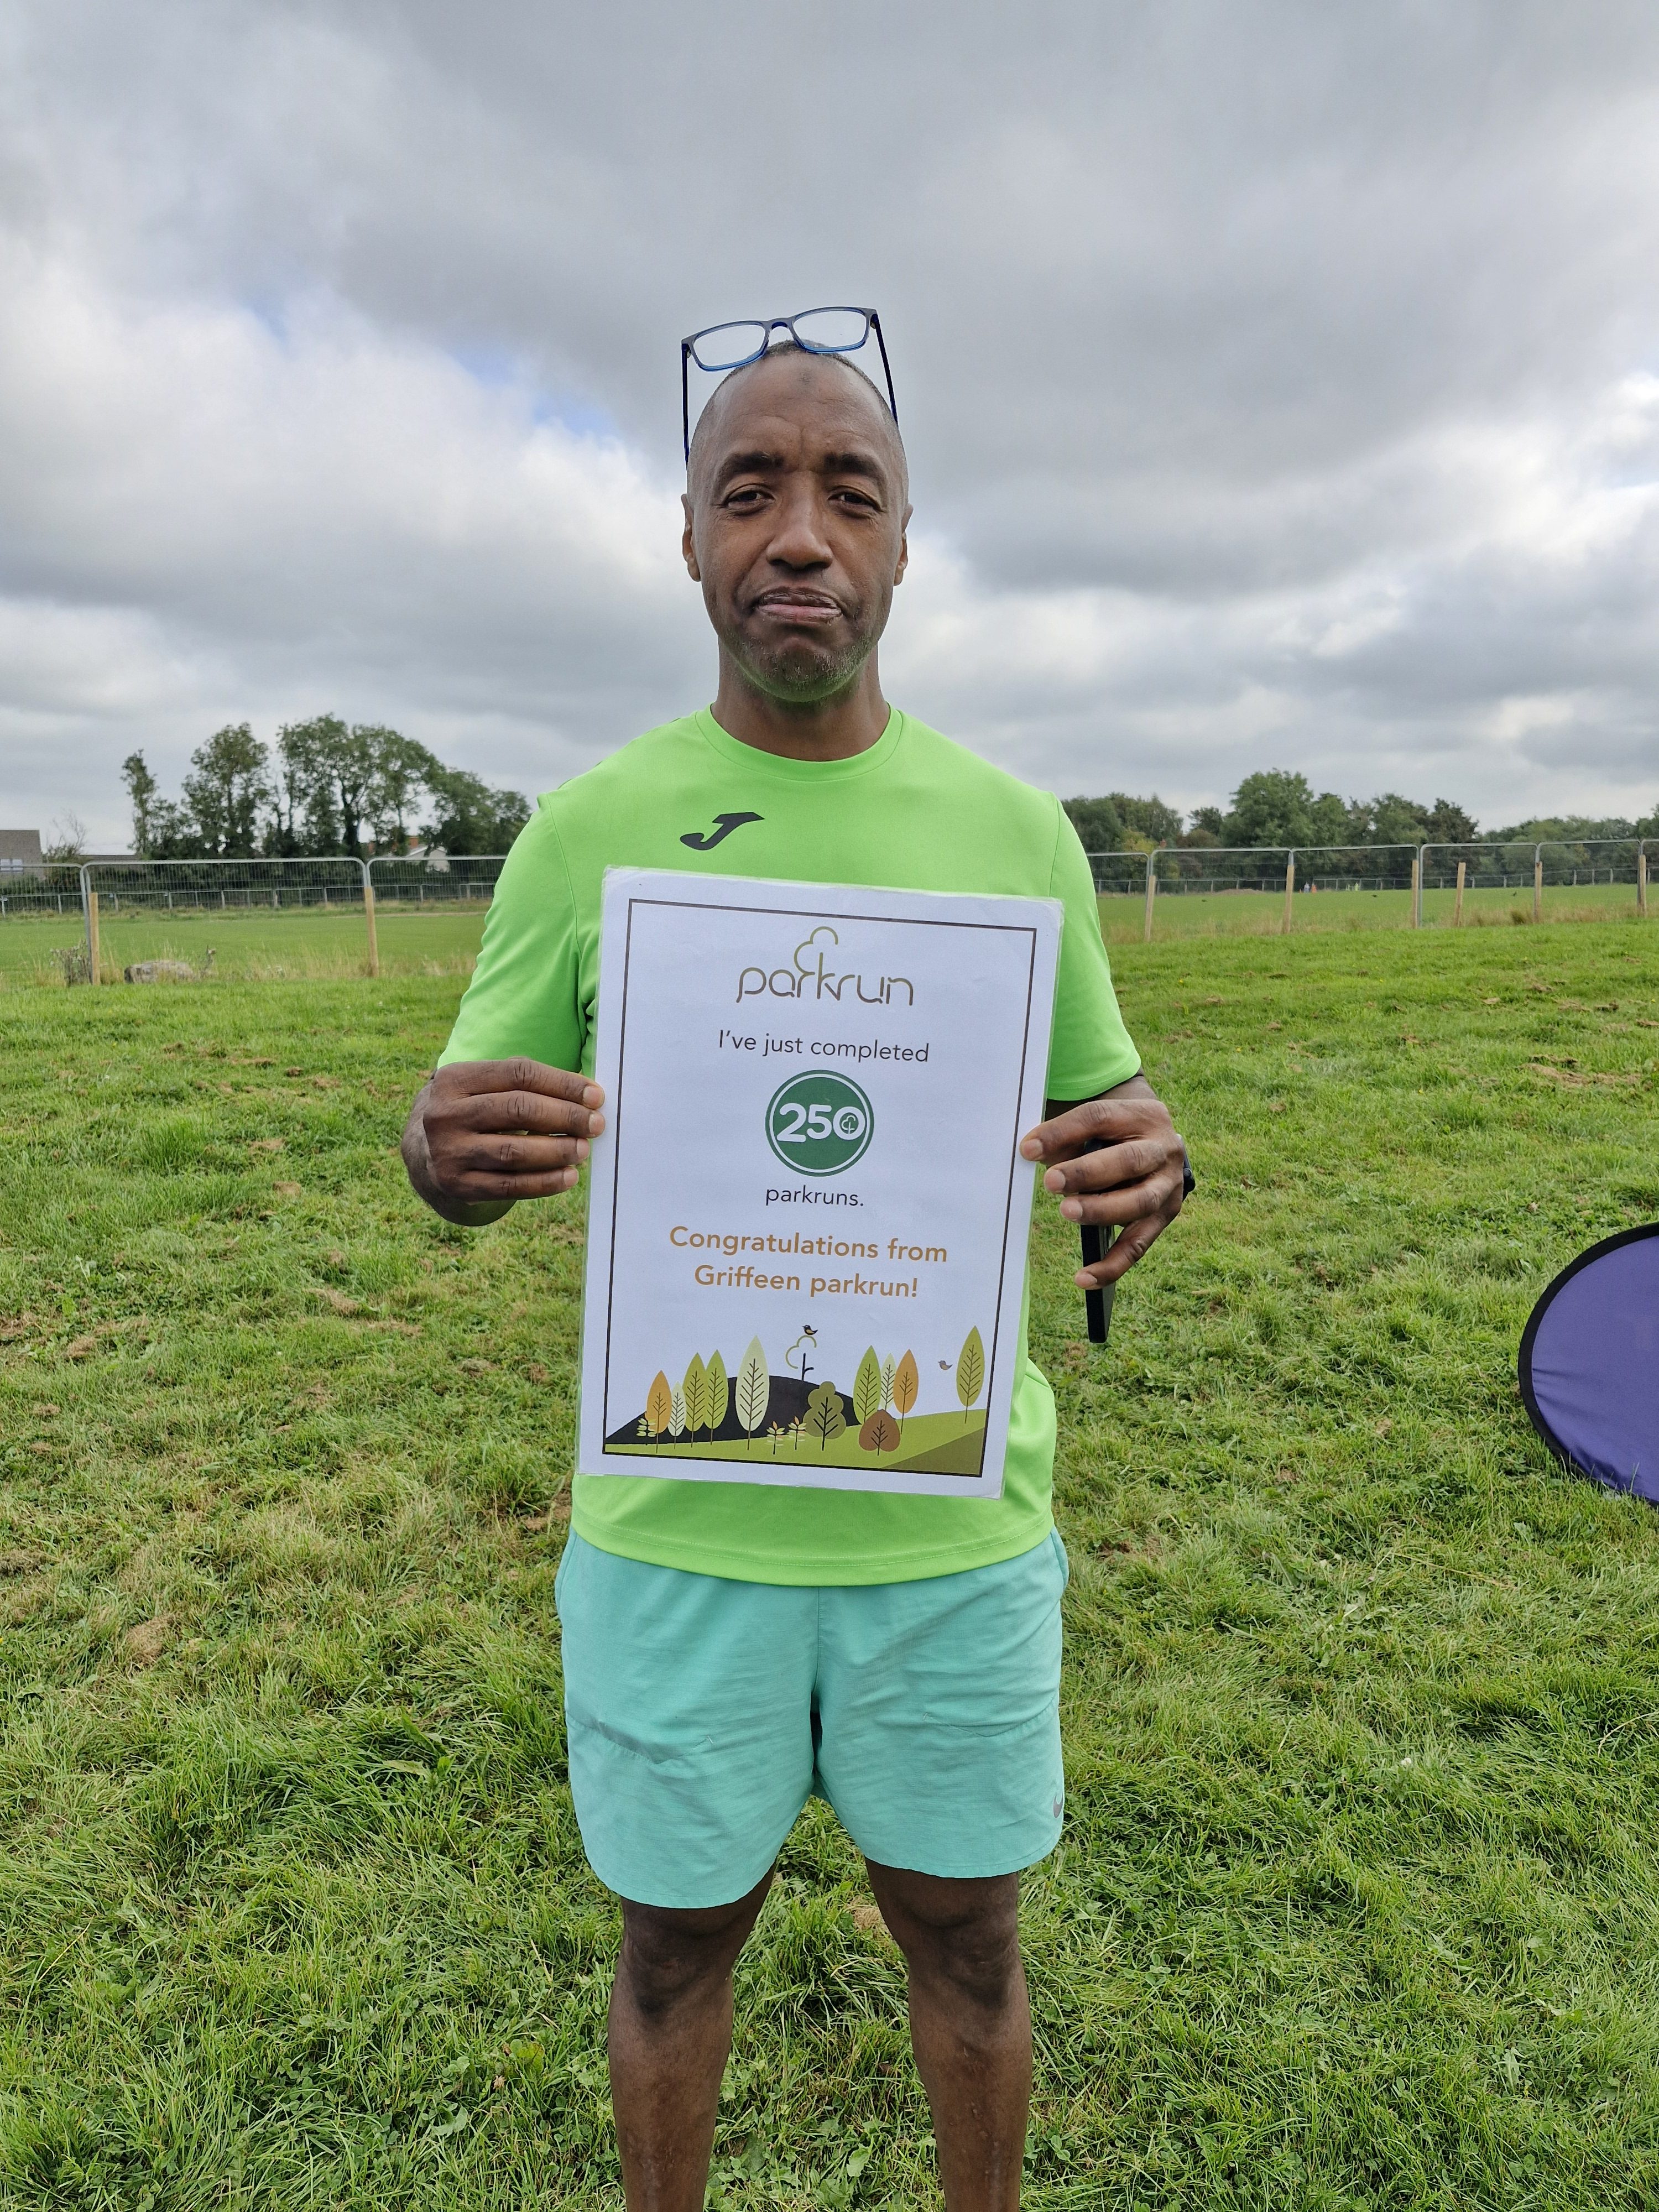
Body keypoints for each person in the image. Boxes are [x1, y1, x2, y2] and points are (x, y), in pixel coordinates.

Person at [401, 334, 1188, 2212]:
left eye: (852, 490)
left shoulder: (1015, 838)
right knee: (673, 1953)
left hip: (951, 1534)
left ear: (908, 546)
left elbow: (1114, 1106)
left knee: (972, 1947)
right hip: (684, 1530)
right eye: (751, 487)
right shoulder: (588, 834)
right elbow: (455, 1143)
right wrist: (440, 1156)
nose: (801, 533)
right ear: (688, 541)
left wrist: (1148, 1165)